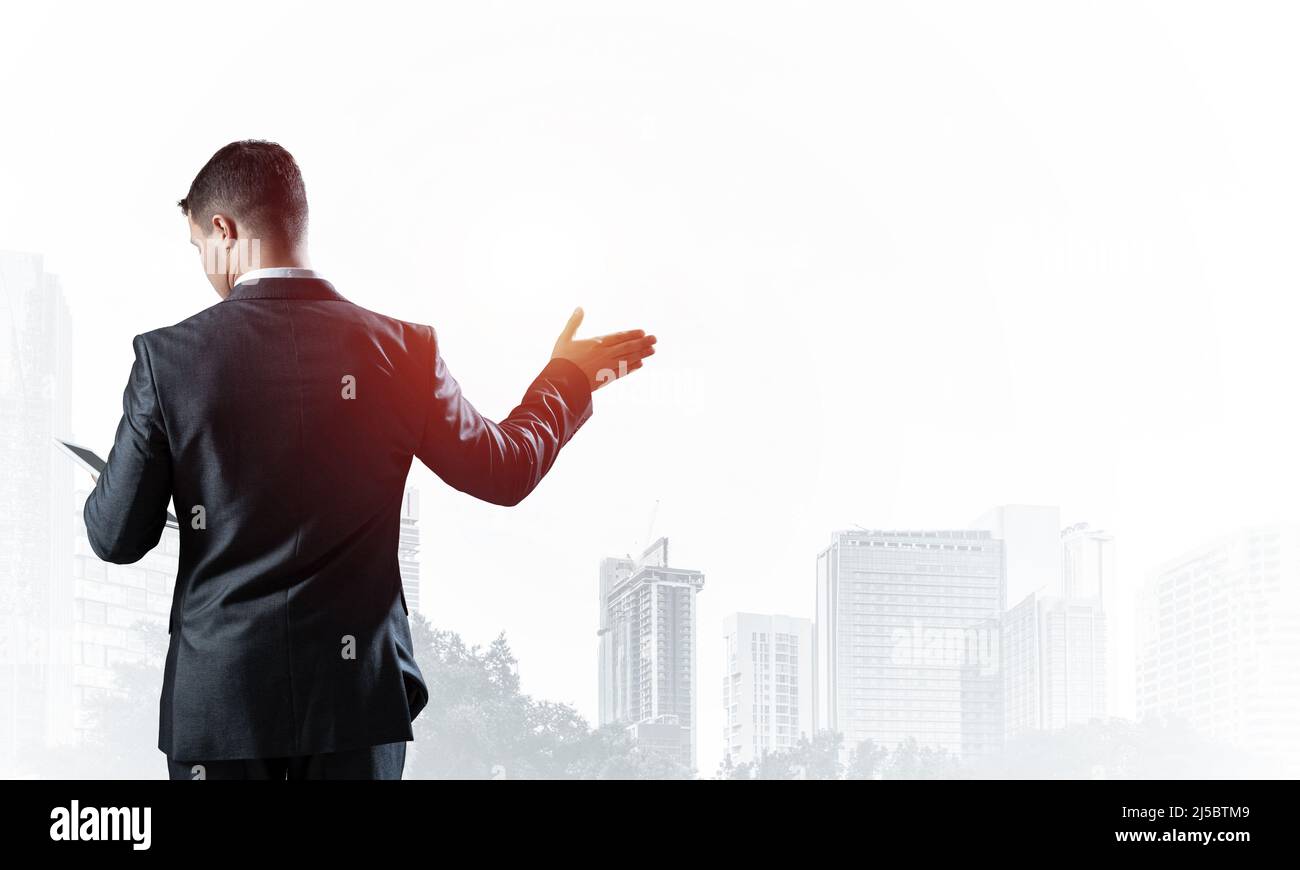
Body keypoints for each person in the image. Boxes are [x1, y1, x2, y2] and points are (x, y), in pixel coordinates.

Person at [83, 140, 656, 780]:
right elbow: (503, 469)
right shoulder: (402, 350)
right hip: (356, 711)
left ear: (225, 230)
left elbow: (115, 536)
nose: (204, 267)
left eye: (199, 249)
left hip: (222, 718)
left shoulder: (168, 360)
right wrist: (566, 379)